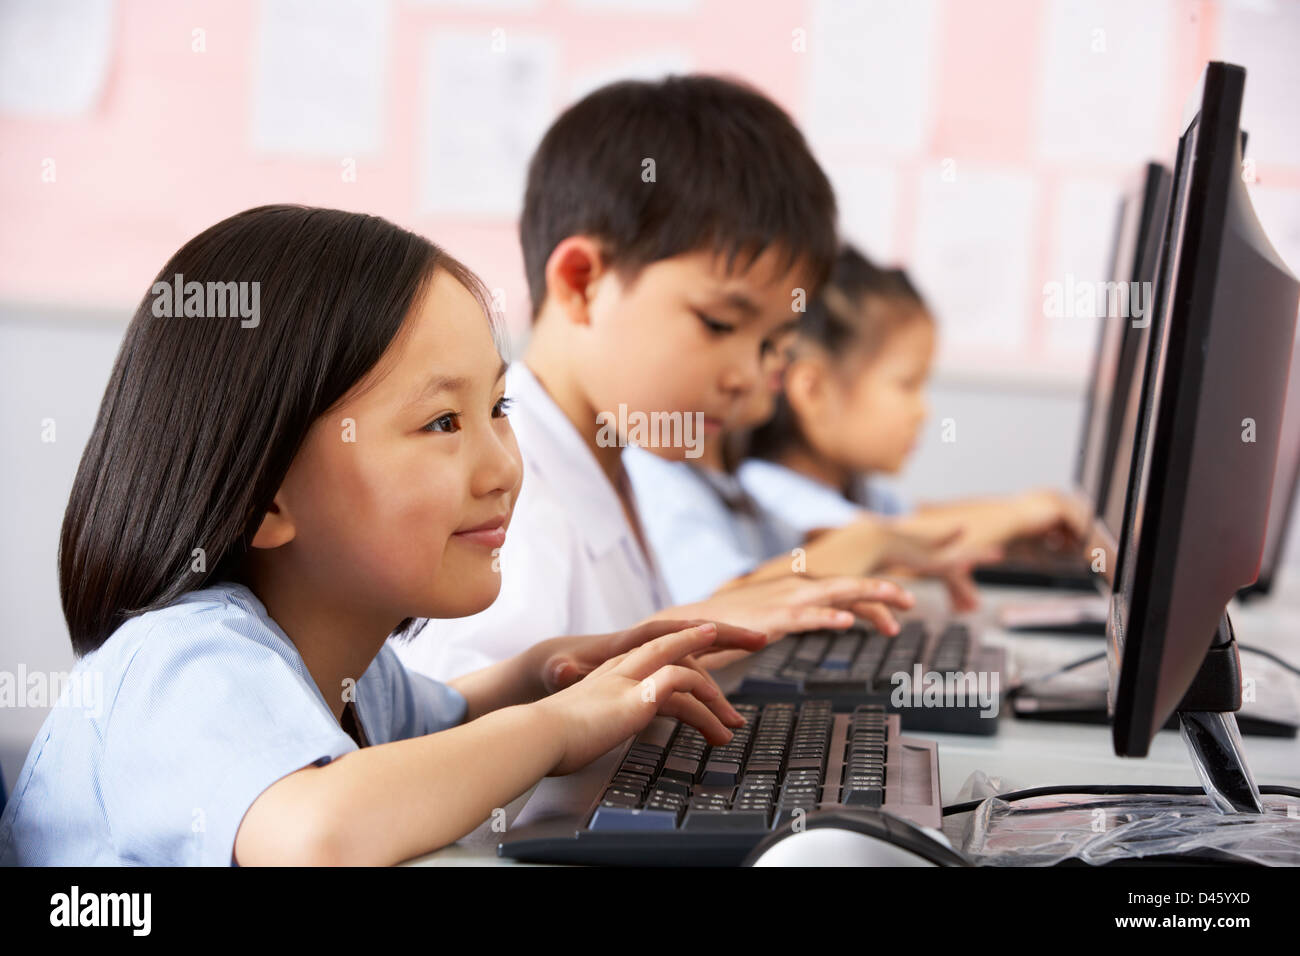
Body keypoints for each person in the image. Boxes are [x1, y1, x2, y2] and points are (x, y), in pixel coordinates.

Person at [0, 205, 772, 866]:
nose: (503, 467)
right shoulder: (183, 659)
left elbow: (445, 728)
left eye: (499, 409)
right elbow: (317, 834)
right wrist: (556, 727)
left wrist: (547, 675)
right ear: (266, 501)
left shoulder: (341, 662)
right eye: (442, 422)